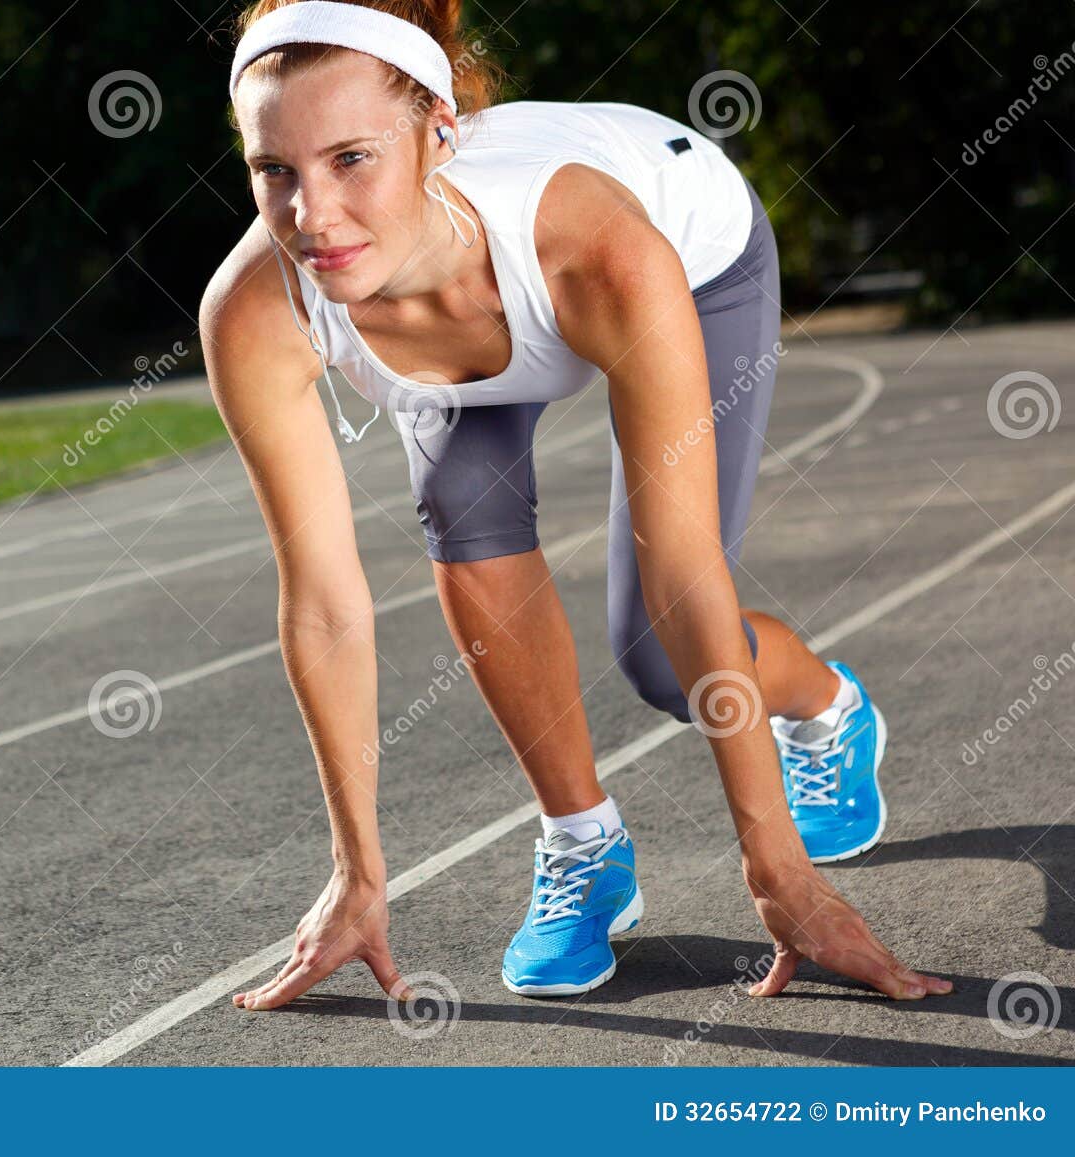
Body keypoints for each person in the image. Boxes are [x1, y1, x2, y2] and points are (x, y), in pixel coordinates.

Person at [197, 0, 953, 1009]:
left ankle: (823, 706)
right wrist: (357, 871)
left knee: (655, 648)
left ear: (438, 135)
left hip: (685, 248)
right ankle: (582, 844)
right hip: (454, 302)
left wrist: (779, 868)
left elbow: (687, 573)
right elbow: (325, 607)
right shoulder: (255, 307)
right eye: (273, 170)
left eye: (349, 160)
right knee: (464, 517)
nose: (311, 217)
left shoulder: (602, 252)